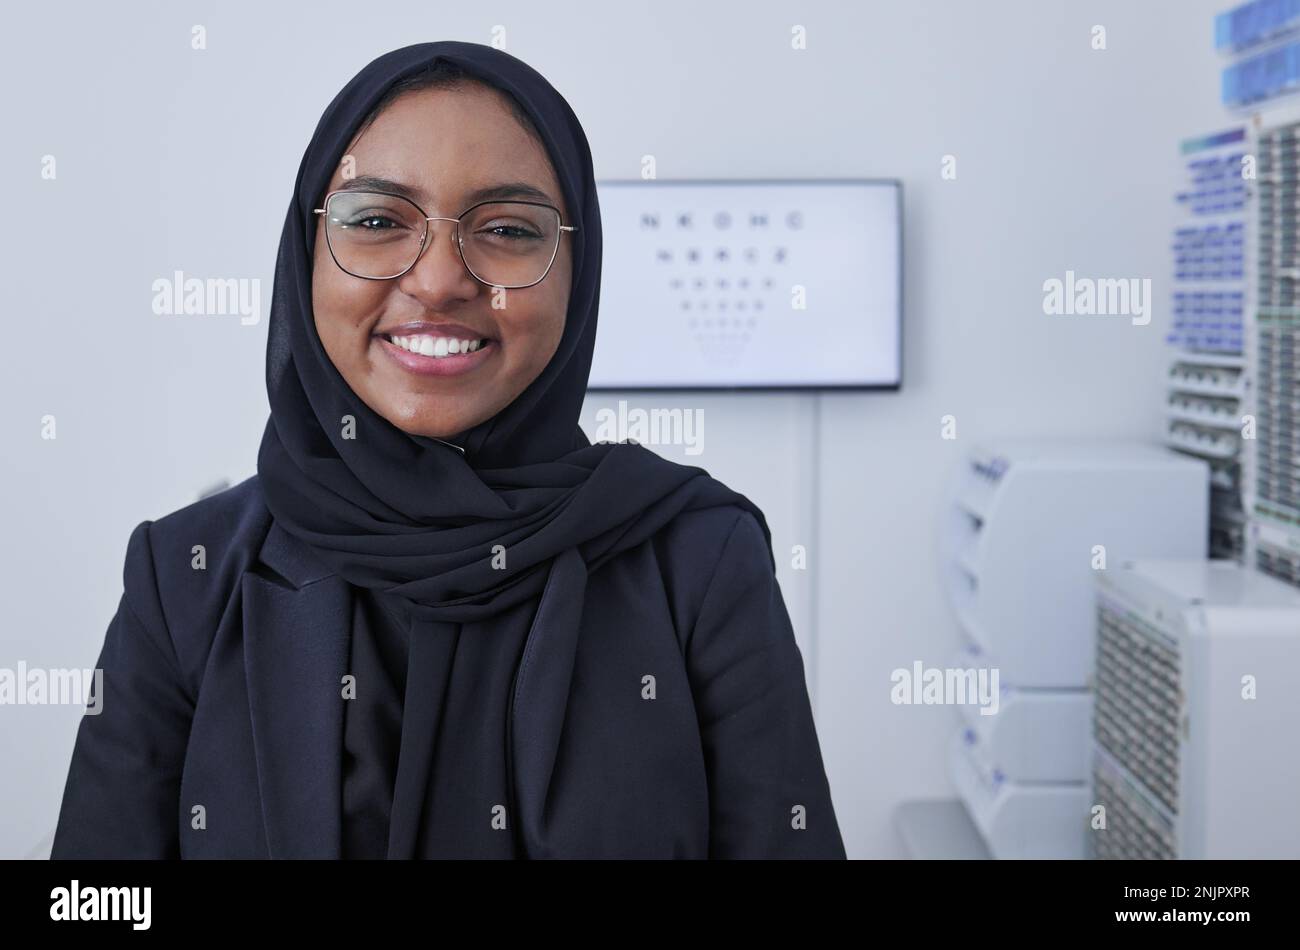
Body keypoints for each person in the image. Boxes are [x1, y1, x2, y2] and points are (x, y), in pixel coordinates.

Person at [50, 40, 845, 859]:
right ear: (305, 255)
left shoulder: (701, 559)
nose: (438, 282)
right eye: (378, 221)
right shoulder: (182, 575)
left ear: (581, 269)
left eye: (505, 228)